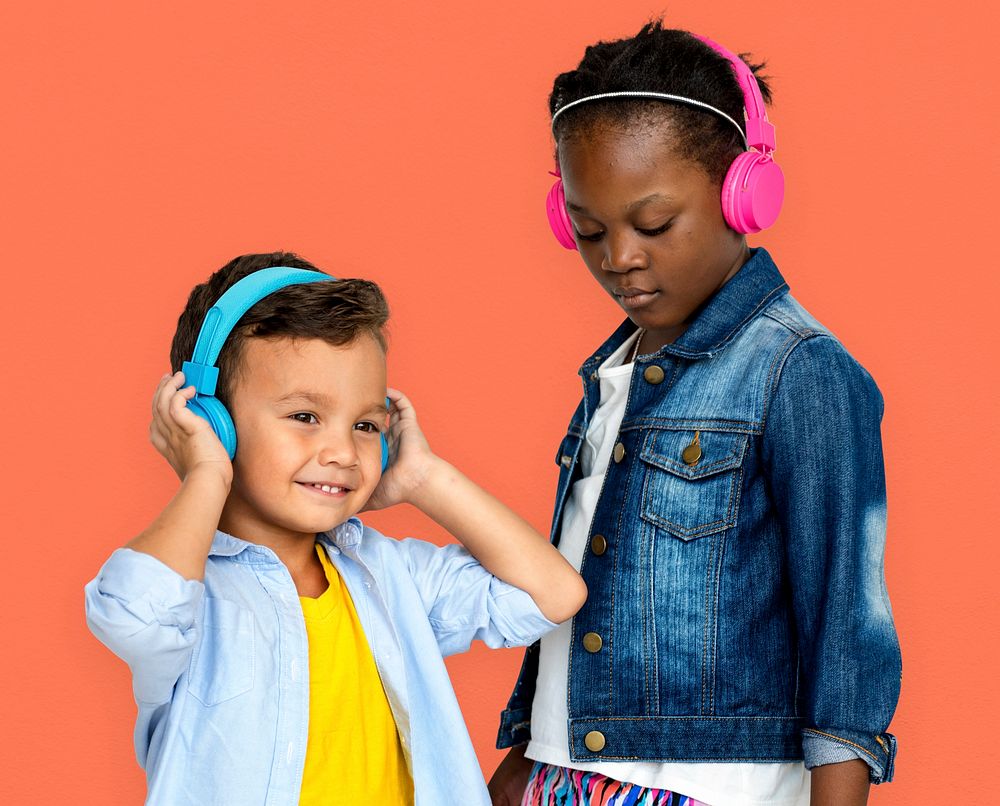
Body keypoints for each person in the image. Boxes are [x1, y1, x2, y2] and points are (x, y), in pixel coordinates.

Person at [488, 21, 900, 806]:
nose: (619, 258)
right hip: (562, 775)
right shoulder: (614, 372)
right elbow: (585, 575)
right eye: (587, 230)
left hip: (706, 785)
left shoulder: (801, 373)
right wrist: (526, 749)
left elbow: (848, 626)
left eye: (653, 225)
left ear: (745, 194)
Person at [84, 252, 587, 806]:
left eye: (367, 425)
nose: (344, 452)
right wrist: (206, 473)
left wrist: (425, 477)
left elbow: (553, 594)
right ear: (212, 421)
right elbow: (135, 614)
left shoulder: (392, 576)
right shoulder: (193, 592)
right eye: (304, 417)